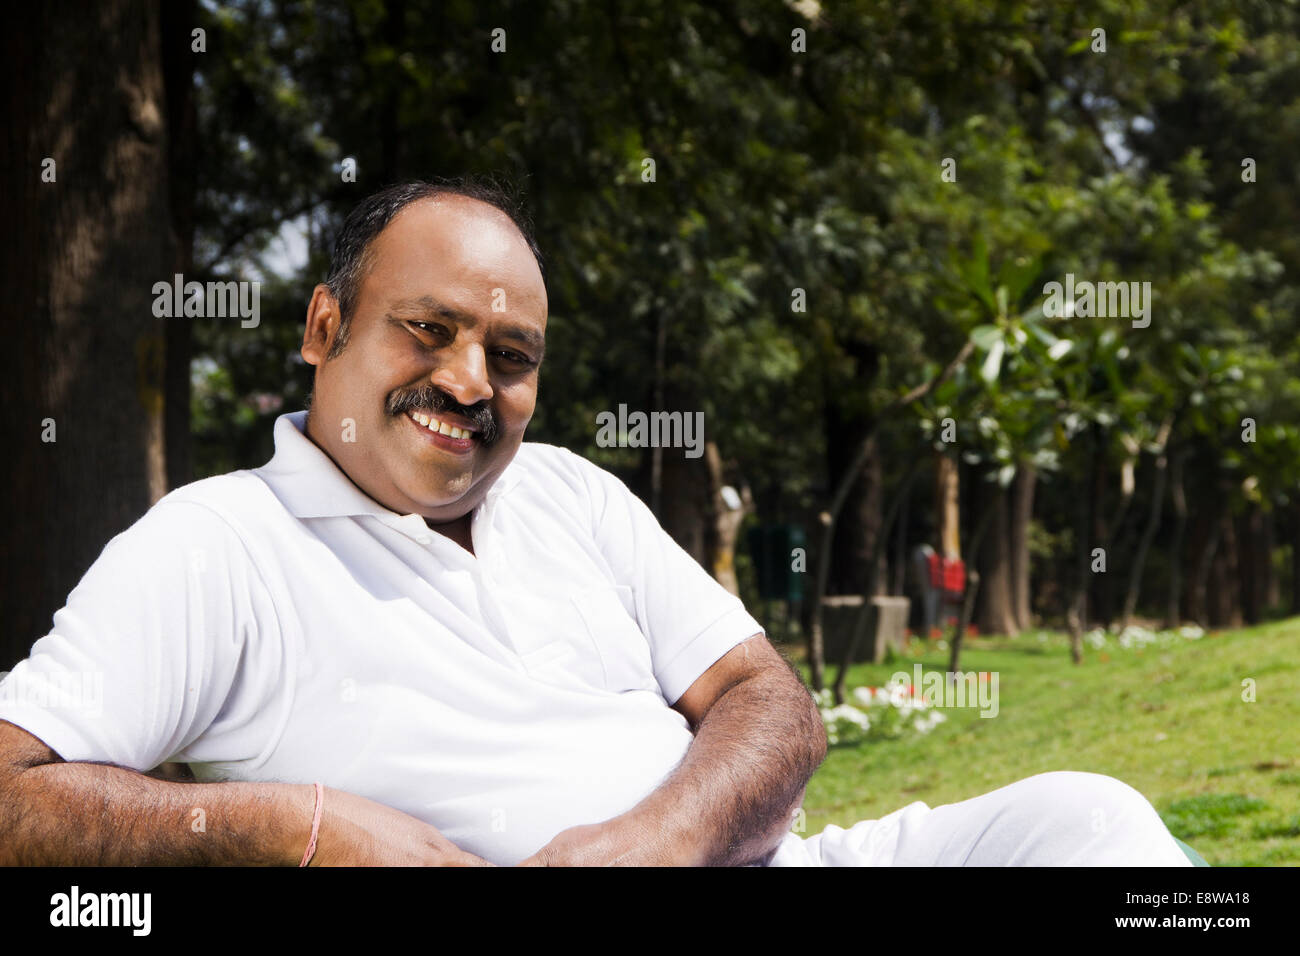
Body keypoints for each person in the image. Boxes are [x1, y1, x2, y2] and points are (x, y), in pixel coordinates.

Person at [0, 179, 1191, 867]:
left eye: (510, 355)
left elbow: (768, 698)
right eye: (429, 329)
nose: (471, 381)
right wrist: (295, 823)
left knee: (1088, 816)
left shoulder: (567, 490)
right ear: (323, 328)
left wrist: (664, 835)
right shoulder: (215, 542)